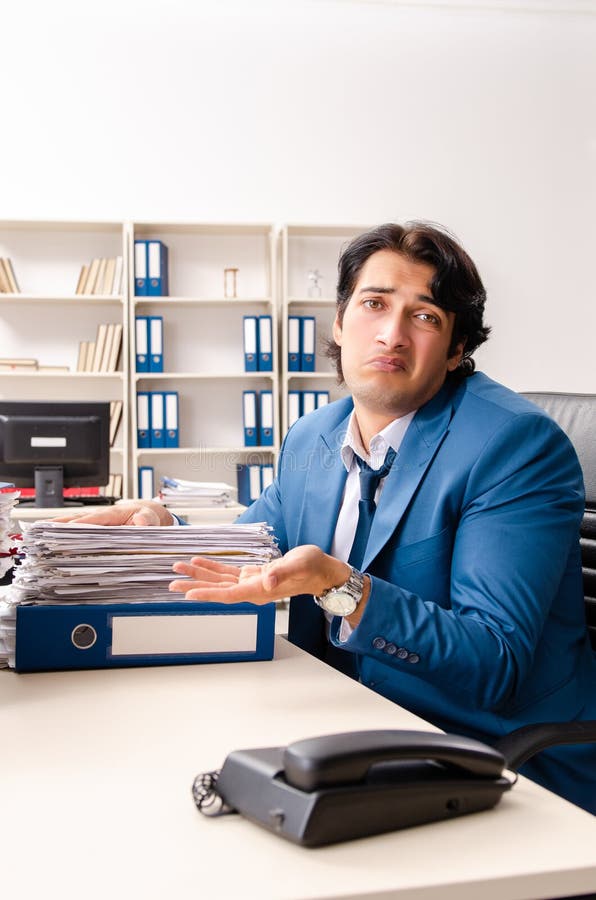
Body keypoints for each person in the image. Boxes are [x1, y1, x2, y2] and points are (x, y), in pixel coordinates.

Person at [58, 222, 596, 814]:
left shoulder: (513, 445)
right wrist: (165, 529)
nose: (391, 333)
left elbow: (495, 662)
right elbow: (253, 554)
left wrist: (344, 589)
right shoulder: (314, 435)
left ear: (457, 348)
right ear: (339, 322)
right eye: (374, 304)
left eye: (425, 317)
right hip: (349, 721)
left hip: (499, 758)